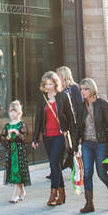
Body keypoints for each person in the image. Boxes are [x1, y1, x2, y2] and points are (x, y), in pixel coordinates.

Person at [32, 70, 75, 207]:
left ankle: (53, 193)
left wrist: (75, 138)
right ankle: (62, 193)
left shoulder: (63, 97)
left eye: (50, 84)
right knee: (55, 164)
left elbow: (71, 118)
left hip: (59, 136)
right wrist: (35, 138)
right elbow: (38, 119)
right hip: (47, 136)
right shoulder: (42, 99)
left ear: (56, 84)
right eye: (46, 84)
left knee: (53, 164)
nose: (48, 87)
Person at [75, 78, 108, 213]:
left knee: (101, 173)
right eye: (81, 89)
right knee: (87, 172)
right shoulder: (81, 106)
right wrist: (76, 146)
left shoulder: (103, 104)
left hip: (101, 143)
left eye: (85, 89)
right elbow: (78, 128)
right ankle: (89, 203)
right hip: (87, 143)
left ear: (92, 89)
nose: (82, 92)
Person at [57, 65, 84, 186]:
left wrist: (79, 122)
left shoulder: (74, 88)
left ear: (64, 76)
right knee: (67, 147)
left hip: (74, 123)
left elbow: (79, 105)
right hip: (63, 123)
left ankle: (77, 170)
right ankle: (66, 165)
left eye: (58, 75)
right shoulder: (59, 90)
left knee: (74, 148)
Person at [0, 100, 30, 202]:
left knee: (17, 170)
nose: (12, 114)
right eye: (11, 111)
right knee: (13, 171)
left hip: (19, 151)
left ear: (19, 113)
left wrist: (17, 133)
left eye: (15, 111)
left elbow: (24, 138)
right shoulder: (7, 125)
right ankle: (23, 191)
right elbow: (2, 138)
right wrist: (7, 138)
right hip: (11, 151)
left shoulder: (21, 124)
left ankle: (15, 194)